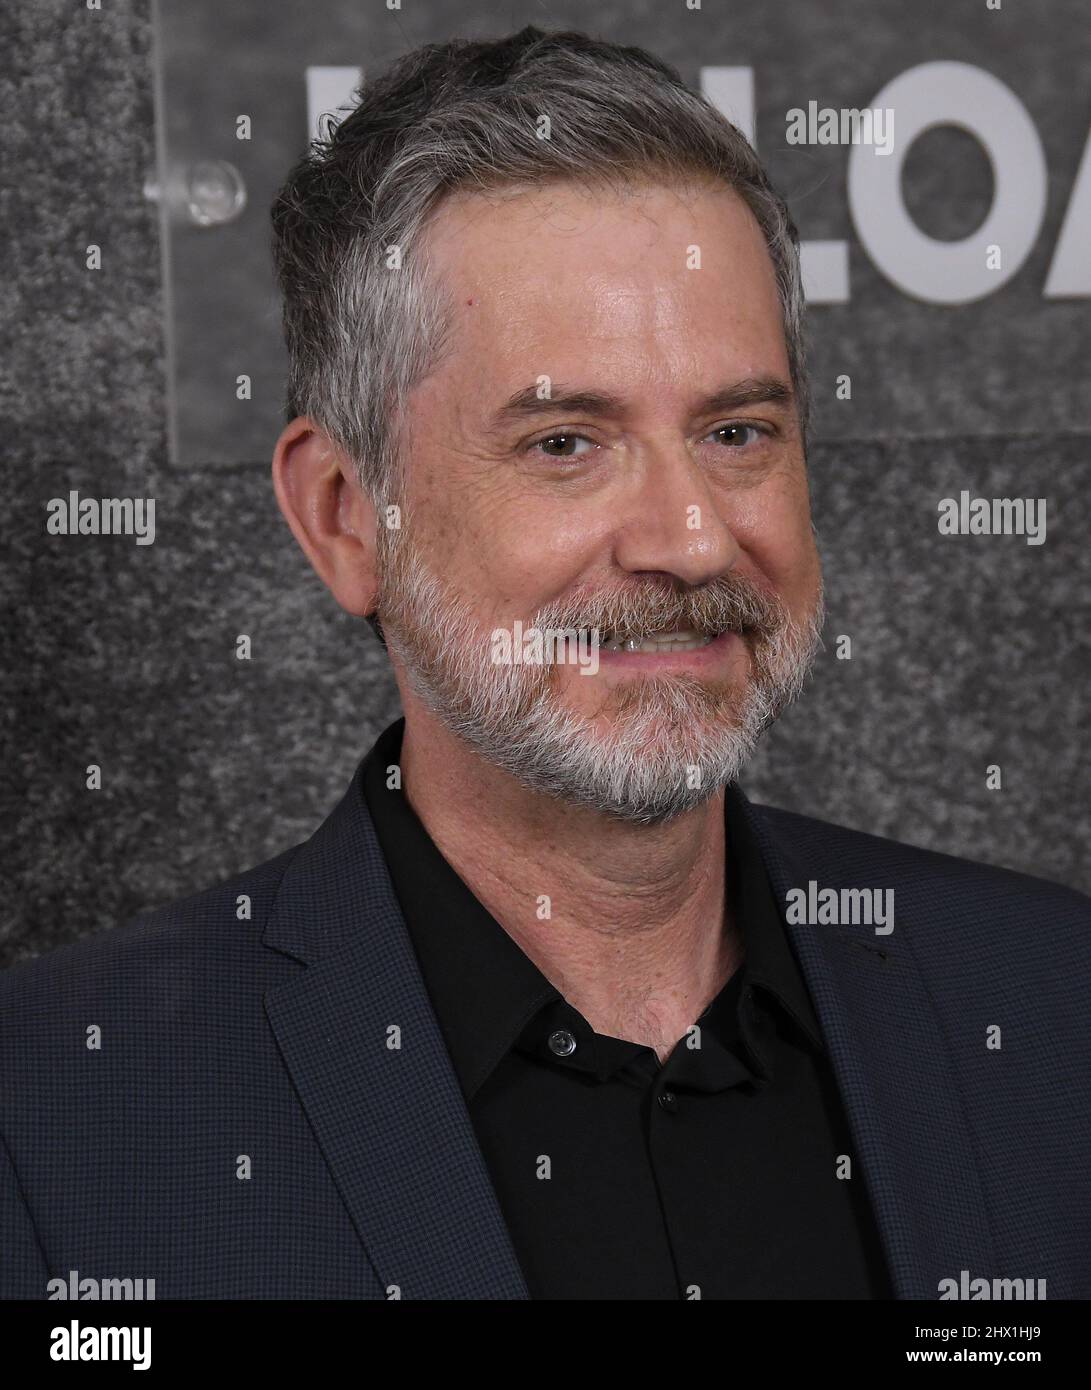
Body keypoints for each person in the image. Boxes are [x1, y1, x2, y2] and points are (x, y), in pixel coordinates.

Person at [2, 26, 1088, 1301]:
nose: (688, 540)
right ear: (346, 516)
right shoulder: (56, 1120)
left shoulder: (1050, 1004)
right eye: (565, 442)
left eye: (736, 429)